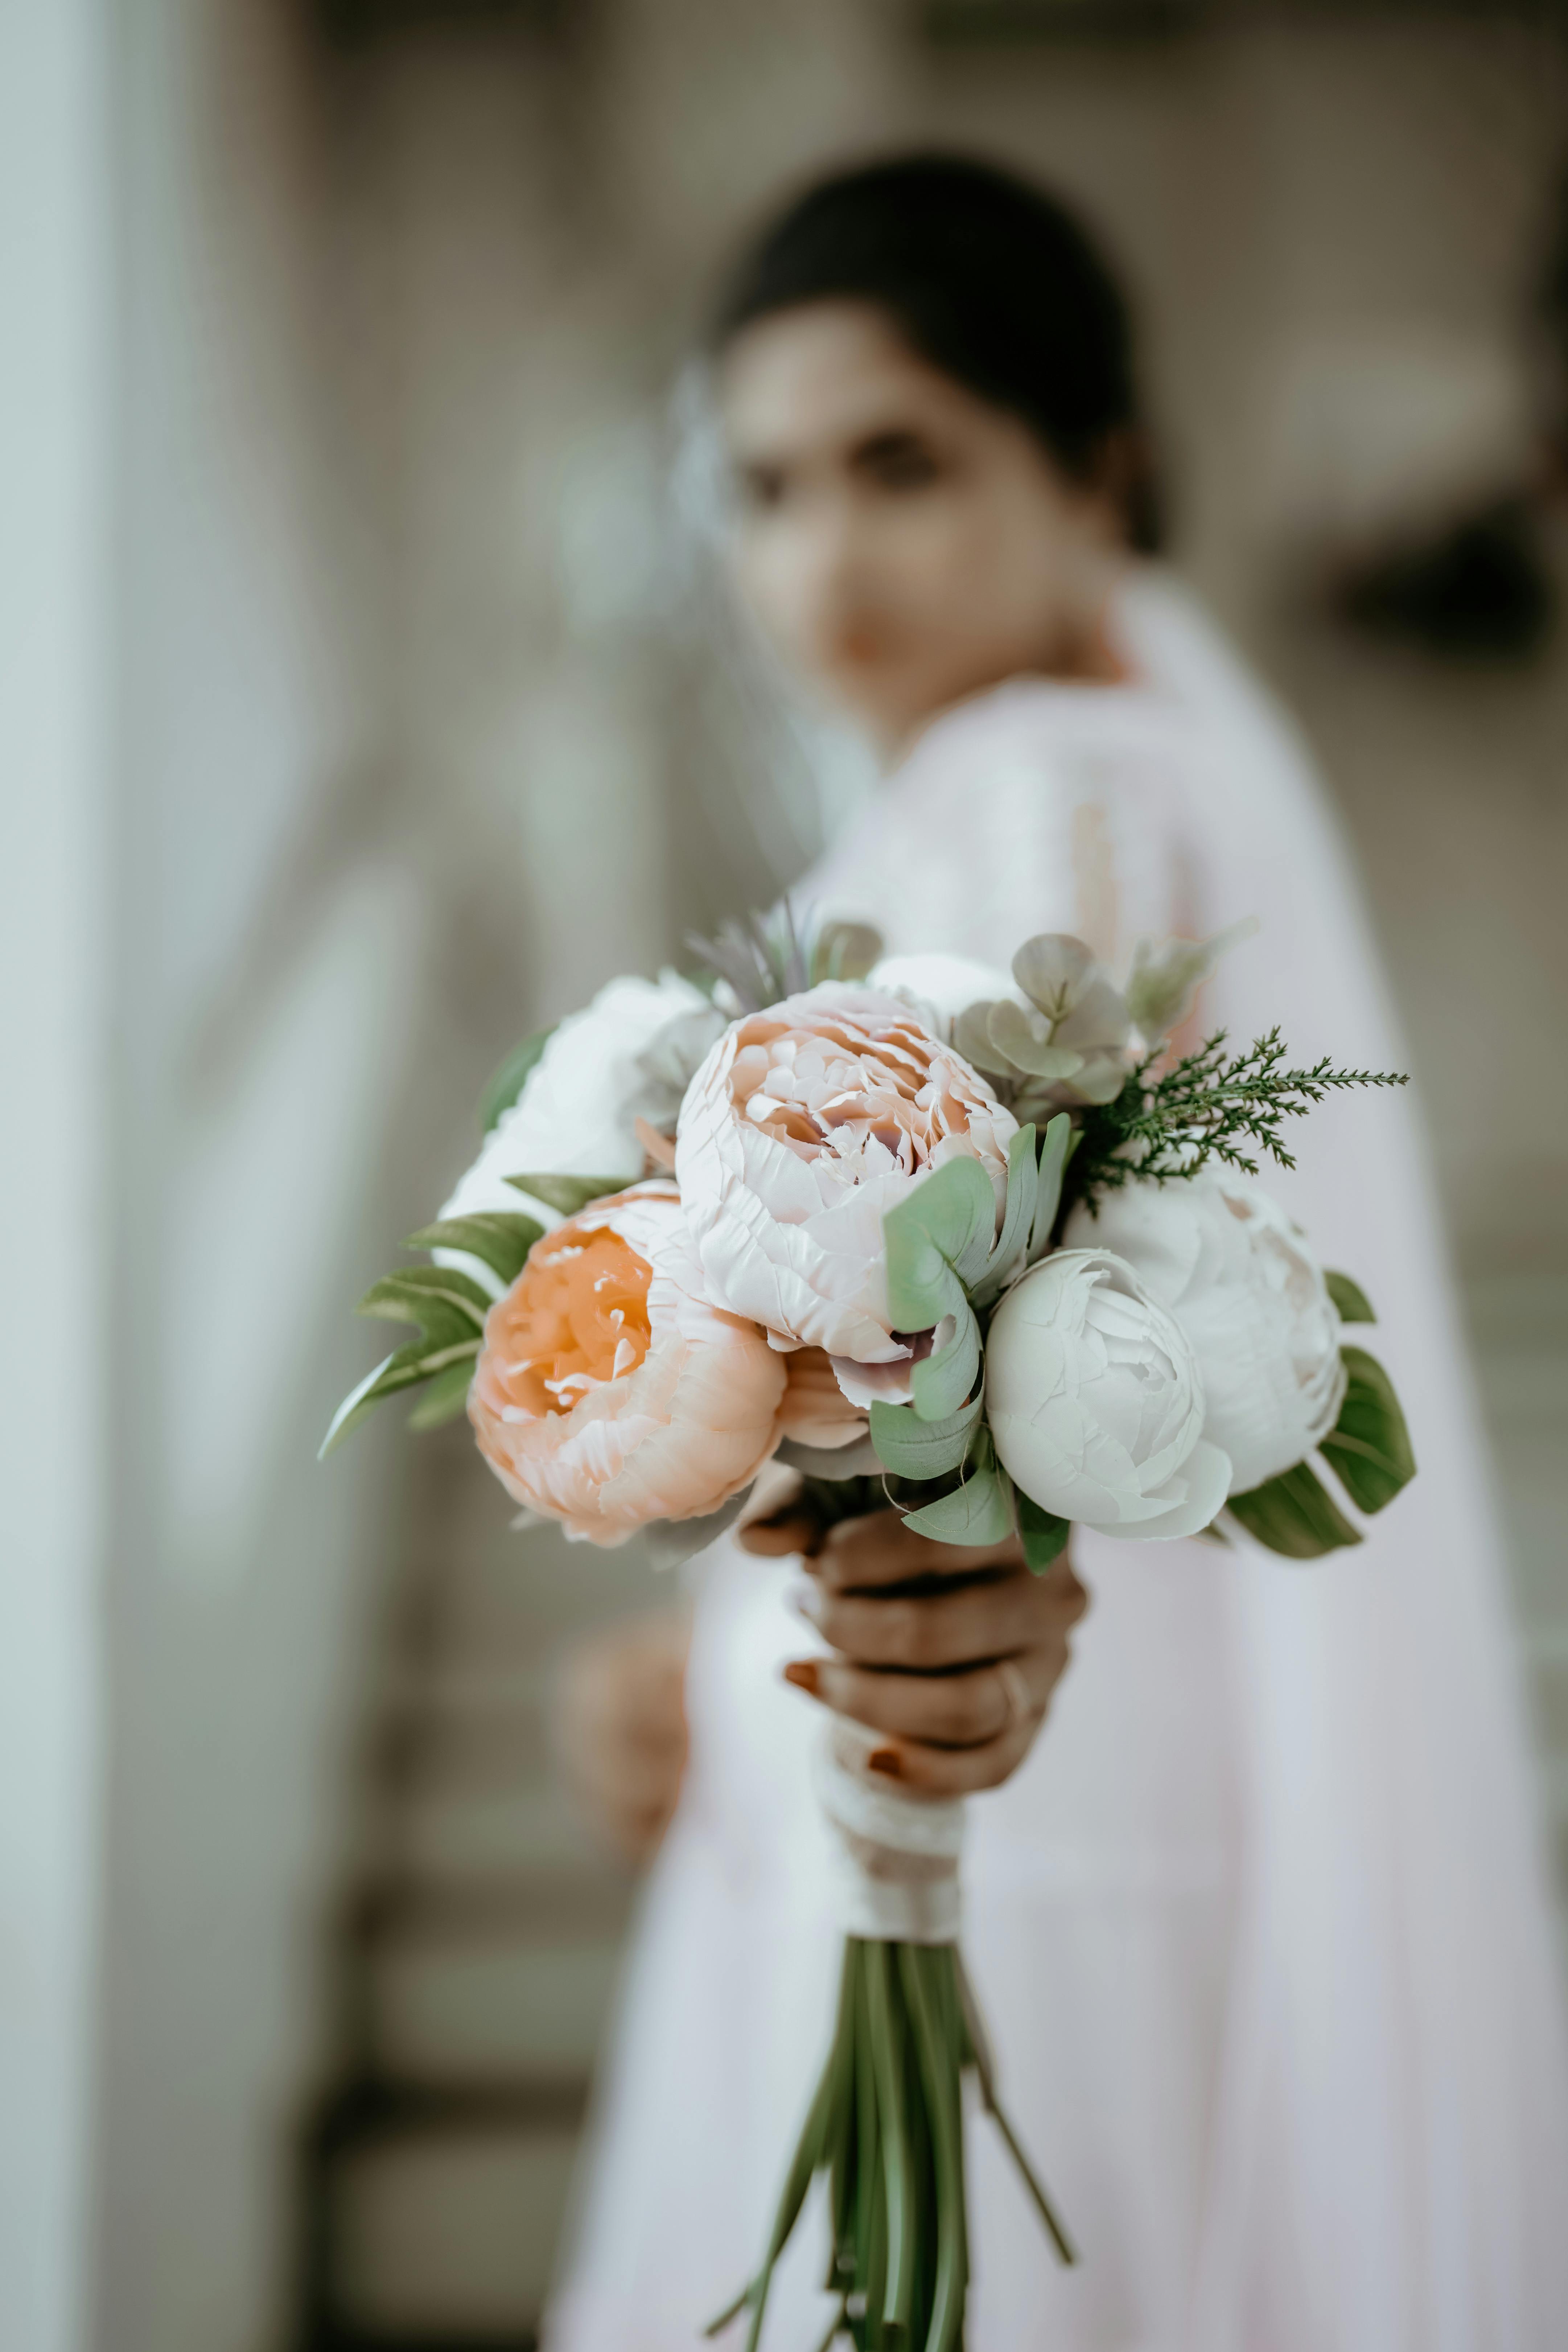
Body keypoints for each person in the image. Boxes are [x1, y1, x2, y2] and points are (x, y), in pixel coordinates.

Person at [546, 155, 1568, 2349]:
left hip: (1025, 1805)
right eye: (765, 485)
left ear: (1093, 471)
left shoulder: (1050, 782)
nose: (821, 555)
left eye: (899, 463)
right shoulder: (1116, 765)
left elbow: (948, 1334)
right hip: (1064, 1761)